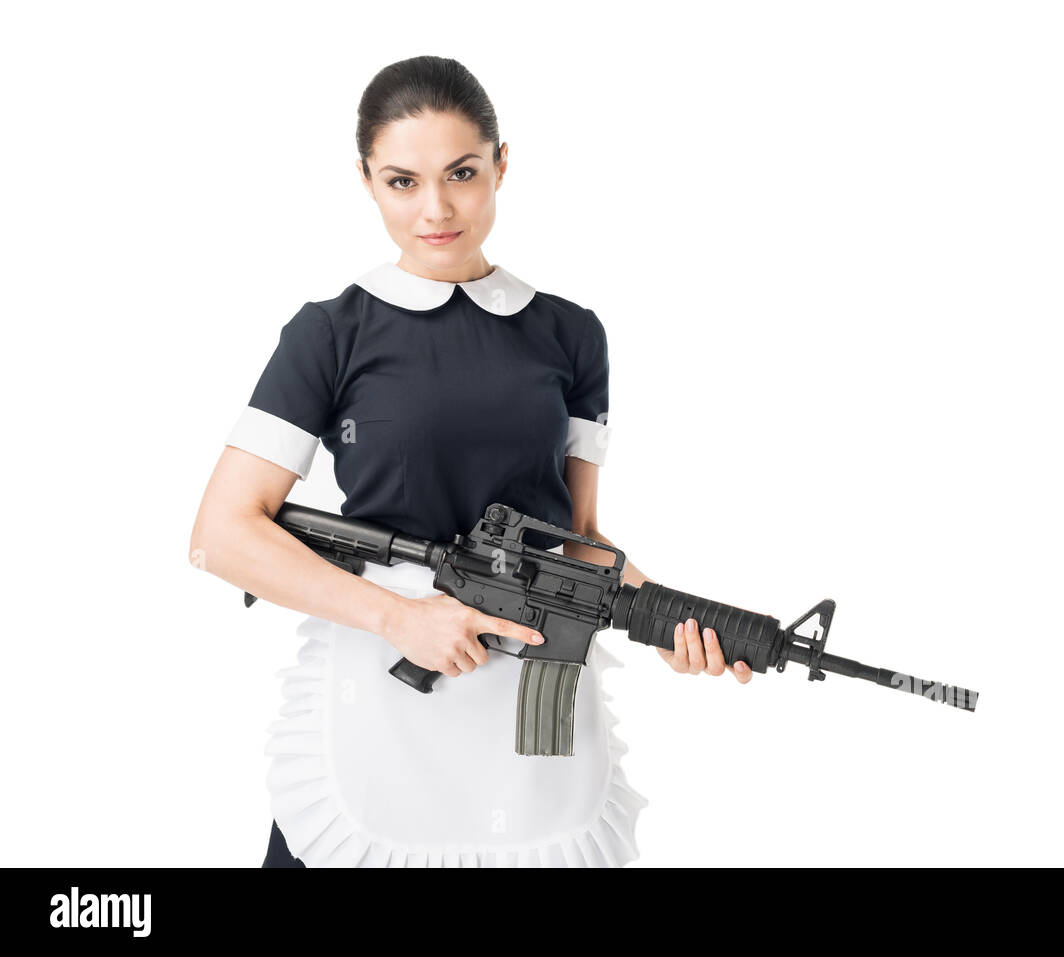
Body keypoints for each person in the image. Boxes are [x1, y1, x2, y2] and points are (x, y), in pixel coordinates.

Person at [189, 55, 751, 868]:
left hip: (532, 691)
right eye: (402, 182)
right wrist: (400, 618)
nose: (437, 209)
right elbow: (222, 531)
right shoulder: (329, 333)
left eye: (461, 173)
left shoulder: (571, 333)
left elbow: (582, 536)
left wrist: (668, 620)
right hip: (379, 672)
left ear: (501, 164)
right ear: (366, 180)